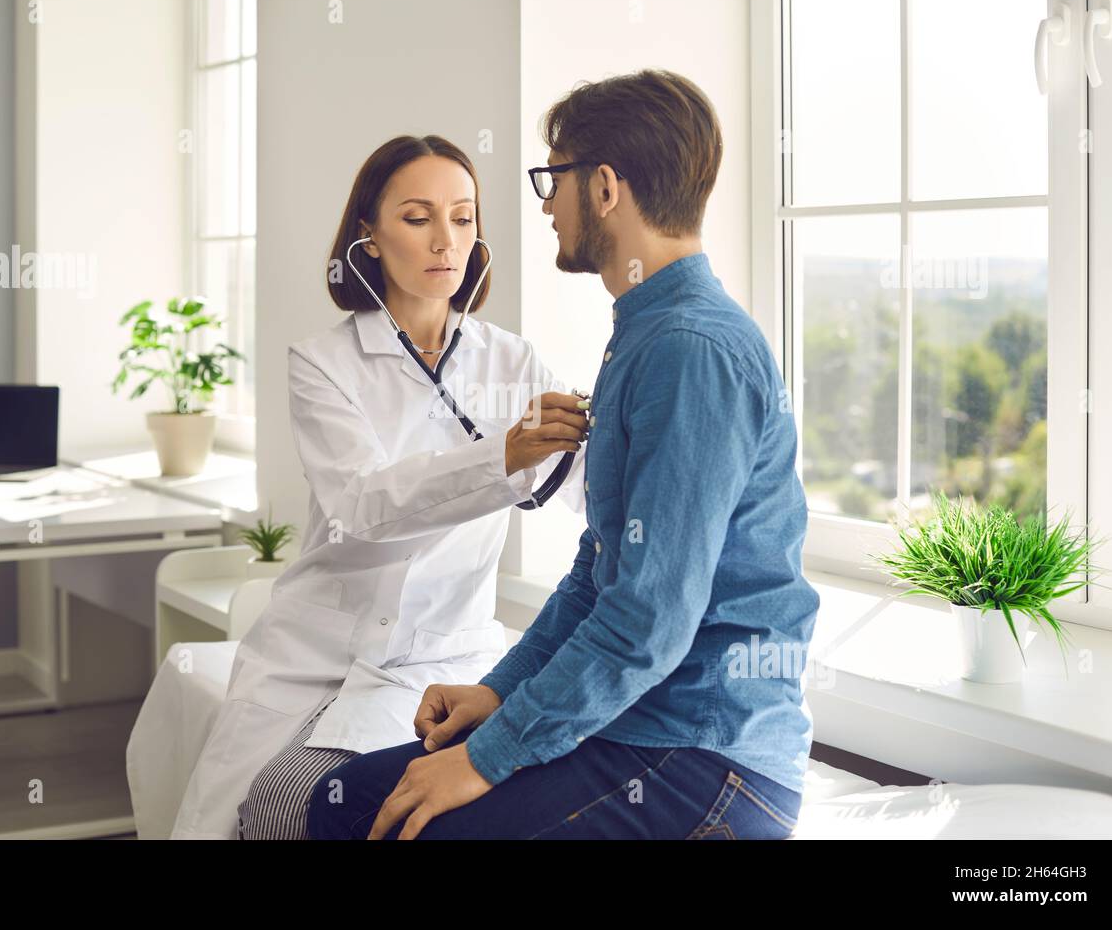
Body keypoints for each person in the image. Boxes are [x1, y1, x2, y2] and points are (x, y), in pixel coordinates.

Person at [306, 70, 821, 840]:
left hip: (706, 758)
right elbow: (599, 570)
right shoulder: (642, 332)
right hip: (641, 726)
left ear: (605, 187)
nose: (545, 204)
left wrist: (488, 758)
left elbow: (648, 622)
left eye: (556, 178)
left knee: (393, 824)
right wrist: (502, 692)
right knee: (342, 798)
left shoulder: (688, 350)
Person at [163, 135, 589, 840]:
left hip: (444, 654)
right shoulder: (323, 363)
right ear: (368, 235)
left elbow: (586, 494)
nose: (445, 240)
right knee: (223, 816)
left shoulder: (514, 360)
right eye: (418, 218)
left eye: (463, 217)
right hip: (314, 647)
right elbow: (364, 505)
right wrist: (501, 455)